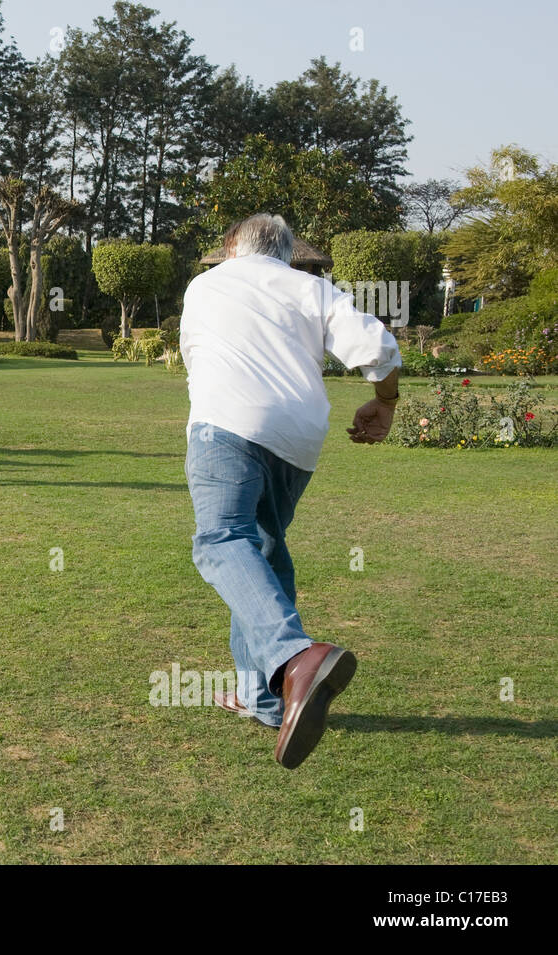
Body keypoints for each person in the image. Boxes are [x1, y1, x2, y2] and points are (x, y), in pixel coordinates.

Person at [180, 213, 401, 769]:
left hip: (224, 425)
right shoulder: (313, 287)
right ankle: (262, 699)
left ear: (231, 247)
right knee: (263, 551)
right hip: (297, 438)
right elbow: (377, 346)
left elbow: (195, 356)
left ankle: (296, 657)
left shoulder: (204, 284)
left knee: (221, 541)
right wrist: (385, 403)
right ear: (286, 252)